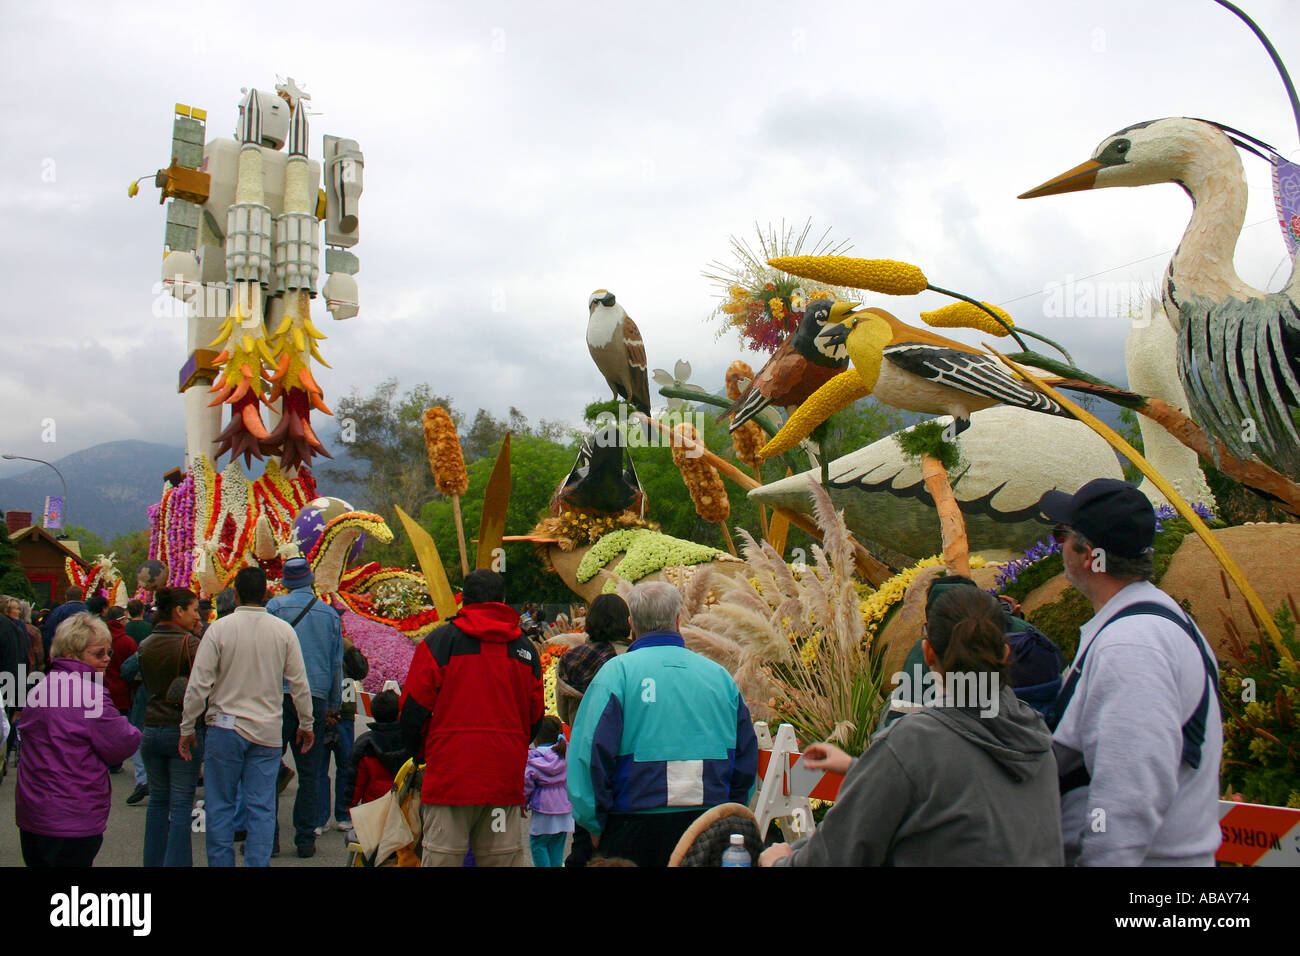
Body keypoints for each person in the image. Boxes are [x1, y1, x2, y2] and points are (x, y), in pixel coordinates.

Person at [761, 586, 1063, 867]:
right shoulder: (1037, 737)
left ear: (928, 653)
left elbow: (834, 856)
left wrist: (779, 861)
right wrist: (861, 768)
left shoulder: (914, 742)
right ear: (1006, 654)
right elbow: (962, 787)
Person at [1037, 478, 1222, 866]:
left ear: (1087, 554)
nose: (1057, 546)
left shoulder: (1132, 647)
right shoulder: (1156, 616)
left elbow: (1128, 795)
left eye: (1060, 535)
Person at [568, 581, 758, 868]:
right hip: (706, 827)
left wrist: (593, 824)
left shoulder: (615, 675)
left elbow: (588, 756)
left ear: (631, 624)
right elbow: (746, 756)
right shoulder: (719, 678)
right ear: (679, 620)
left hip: (630, 828)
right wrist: (730, 812)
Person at [399, 568, 544, 867]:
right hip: (502, 778)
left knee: (443, 857)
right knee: (501, 859)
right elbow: (535, 717)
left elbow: (413, 708)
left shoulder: (439, 642)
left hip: (451, 776)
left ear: (463, 600)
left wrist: (425, 751)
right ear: (503, 601)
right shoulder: (525, 650)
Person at [180, 567, 314, 867]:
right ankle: (257, 862)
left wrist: (187, 726)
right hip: (267, 733)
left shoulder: (218, 630)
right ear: (267, 593)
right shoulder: (283, 631)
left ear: (236, 594)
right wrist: (307, 724)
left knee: (220, 805)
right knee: (262, 807)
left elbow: (198, 684)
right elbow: (299, 685)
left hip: (224, 729)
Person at [15, 612, 142, 866]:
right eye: (98, 654)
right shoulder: (89, 694)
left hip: (34, 810)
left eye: (108, 653)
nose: (107, 659)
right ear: (73, 654)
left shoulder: (42, 686)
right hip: (73, 813)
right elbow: (122, 742)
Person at [265, 556, 342, 858]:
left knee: (269, 767)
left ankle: (268, 838)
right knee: (310, 771)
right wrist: (334, 704)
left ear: (286, 582)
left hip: (278, 696)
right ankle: (305, 839)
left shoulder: (274, 609)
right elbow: (336, 664)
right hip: (316, 697)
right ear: (311, 580)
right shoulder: (329, 615)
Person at [137, 587, 203, 866]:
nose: (197, 616)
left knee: (157, 802)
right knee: (180, 805)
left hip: (151, 726)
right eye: (194, 610)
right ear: (179, 611)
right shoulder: (190, 644)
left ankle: (152, 862)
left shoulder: (146, 643)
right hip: (181, 730)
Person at [341, 689, 406, 809]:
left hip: (374, 807)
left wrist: (350, 804)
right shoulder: (411, 739)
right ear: (400, 714)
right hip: (405, 803)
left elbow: (355, 781)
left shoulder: (365, 744)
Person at [525, 715, 573, 867]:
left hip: (543, 808)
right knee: (556, 848)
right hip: (564, 807)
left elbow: (527, 783)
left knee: (538, 844)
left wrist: (523, 802)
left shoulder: (534, 758)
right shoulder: (566, 752)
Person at [41, 586, 86, 664]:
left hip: (63, 656)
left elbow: (49, 634)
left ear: (65, 597)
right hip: (84, 655)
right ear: (81, 596)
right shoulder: (90, 611)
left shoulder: (57, 612)